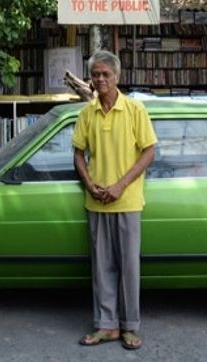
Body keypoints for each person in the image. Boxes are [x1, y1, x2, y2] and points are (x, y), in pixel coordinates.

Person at [73, 50, 156, 351]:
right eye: (95, 74)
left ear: (117, 77)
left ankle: (129, 327)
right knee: (102, 267)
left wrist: (120, 185)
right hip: (96, 201)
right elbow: (78, 154)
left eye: (106, 74)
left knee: (128, 268)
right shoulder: (87, 113)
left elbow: (149, 151)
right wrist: (88, 182)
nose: (100, 79)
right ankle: (106, 326)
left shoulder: (134, 110)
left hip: (127, 201)